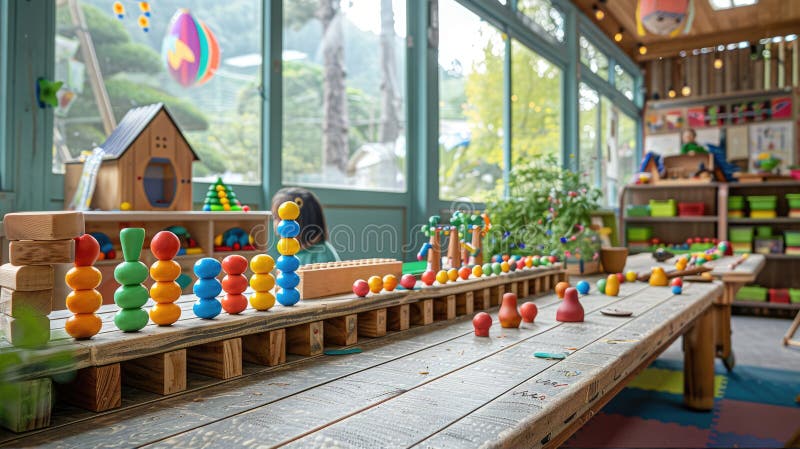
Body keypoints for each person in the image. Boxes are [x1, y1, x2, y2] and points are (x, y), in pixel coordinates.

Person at [271, 187, 341, 265]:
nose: (279, 224)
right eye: (275, 217)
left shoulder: (322, 254)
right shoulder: (288, 252)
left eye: (283, 219)